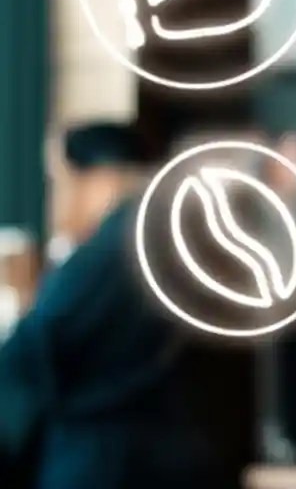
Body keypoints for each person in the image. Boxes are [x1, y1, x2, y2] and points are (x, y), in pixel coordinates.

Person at [0, 122, 230, 489]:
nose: (57, 200)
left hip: (102, 464)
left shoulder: (113, 249)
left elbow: (34, 351)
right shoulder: (172, 242)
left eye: (60, 182)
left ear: (100, 178)